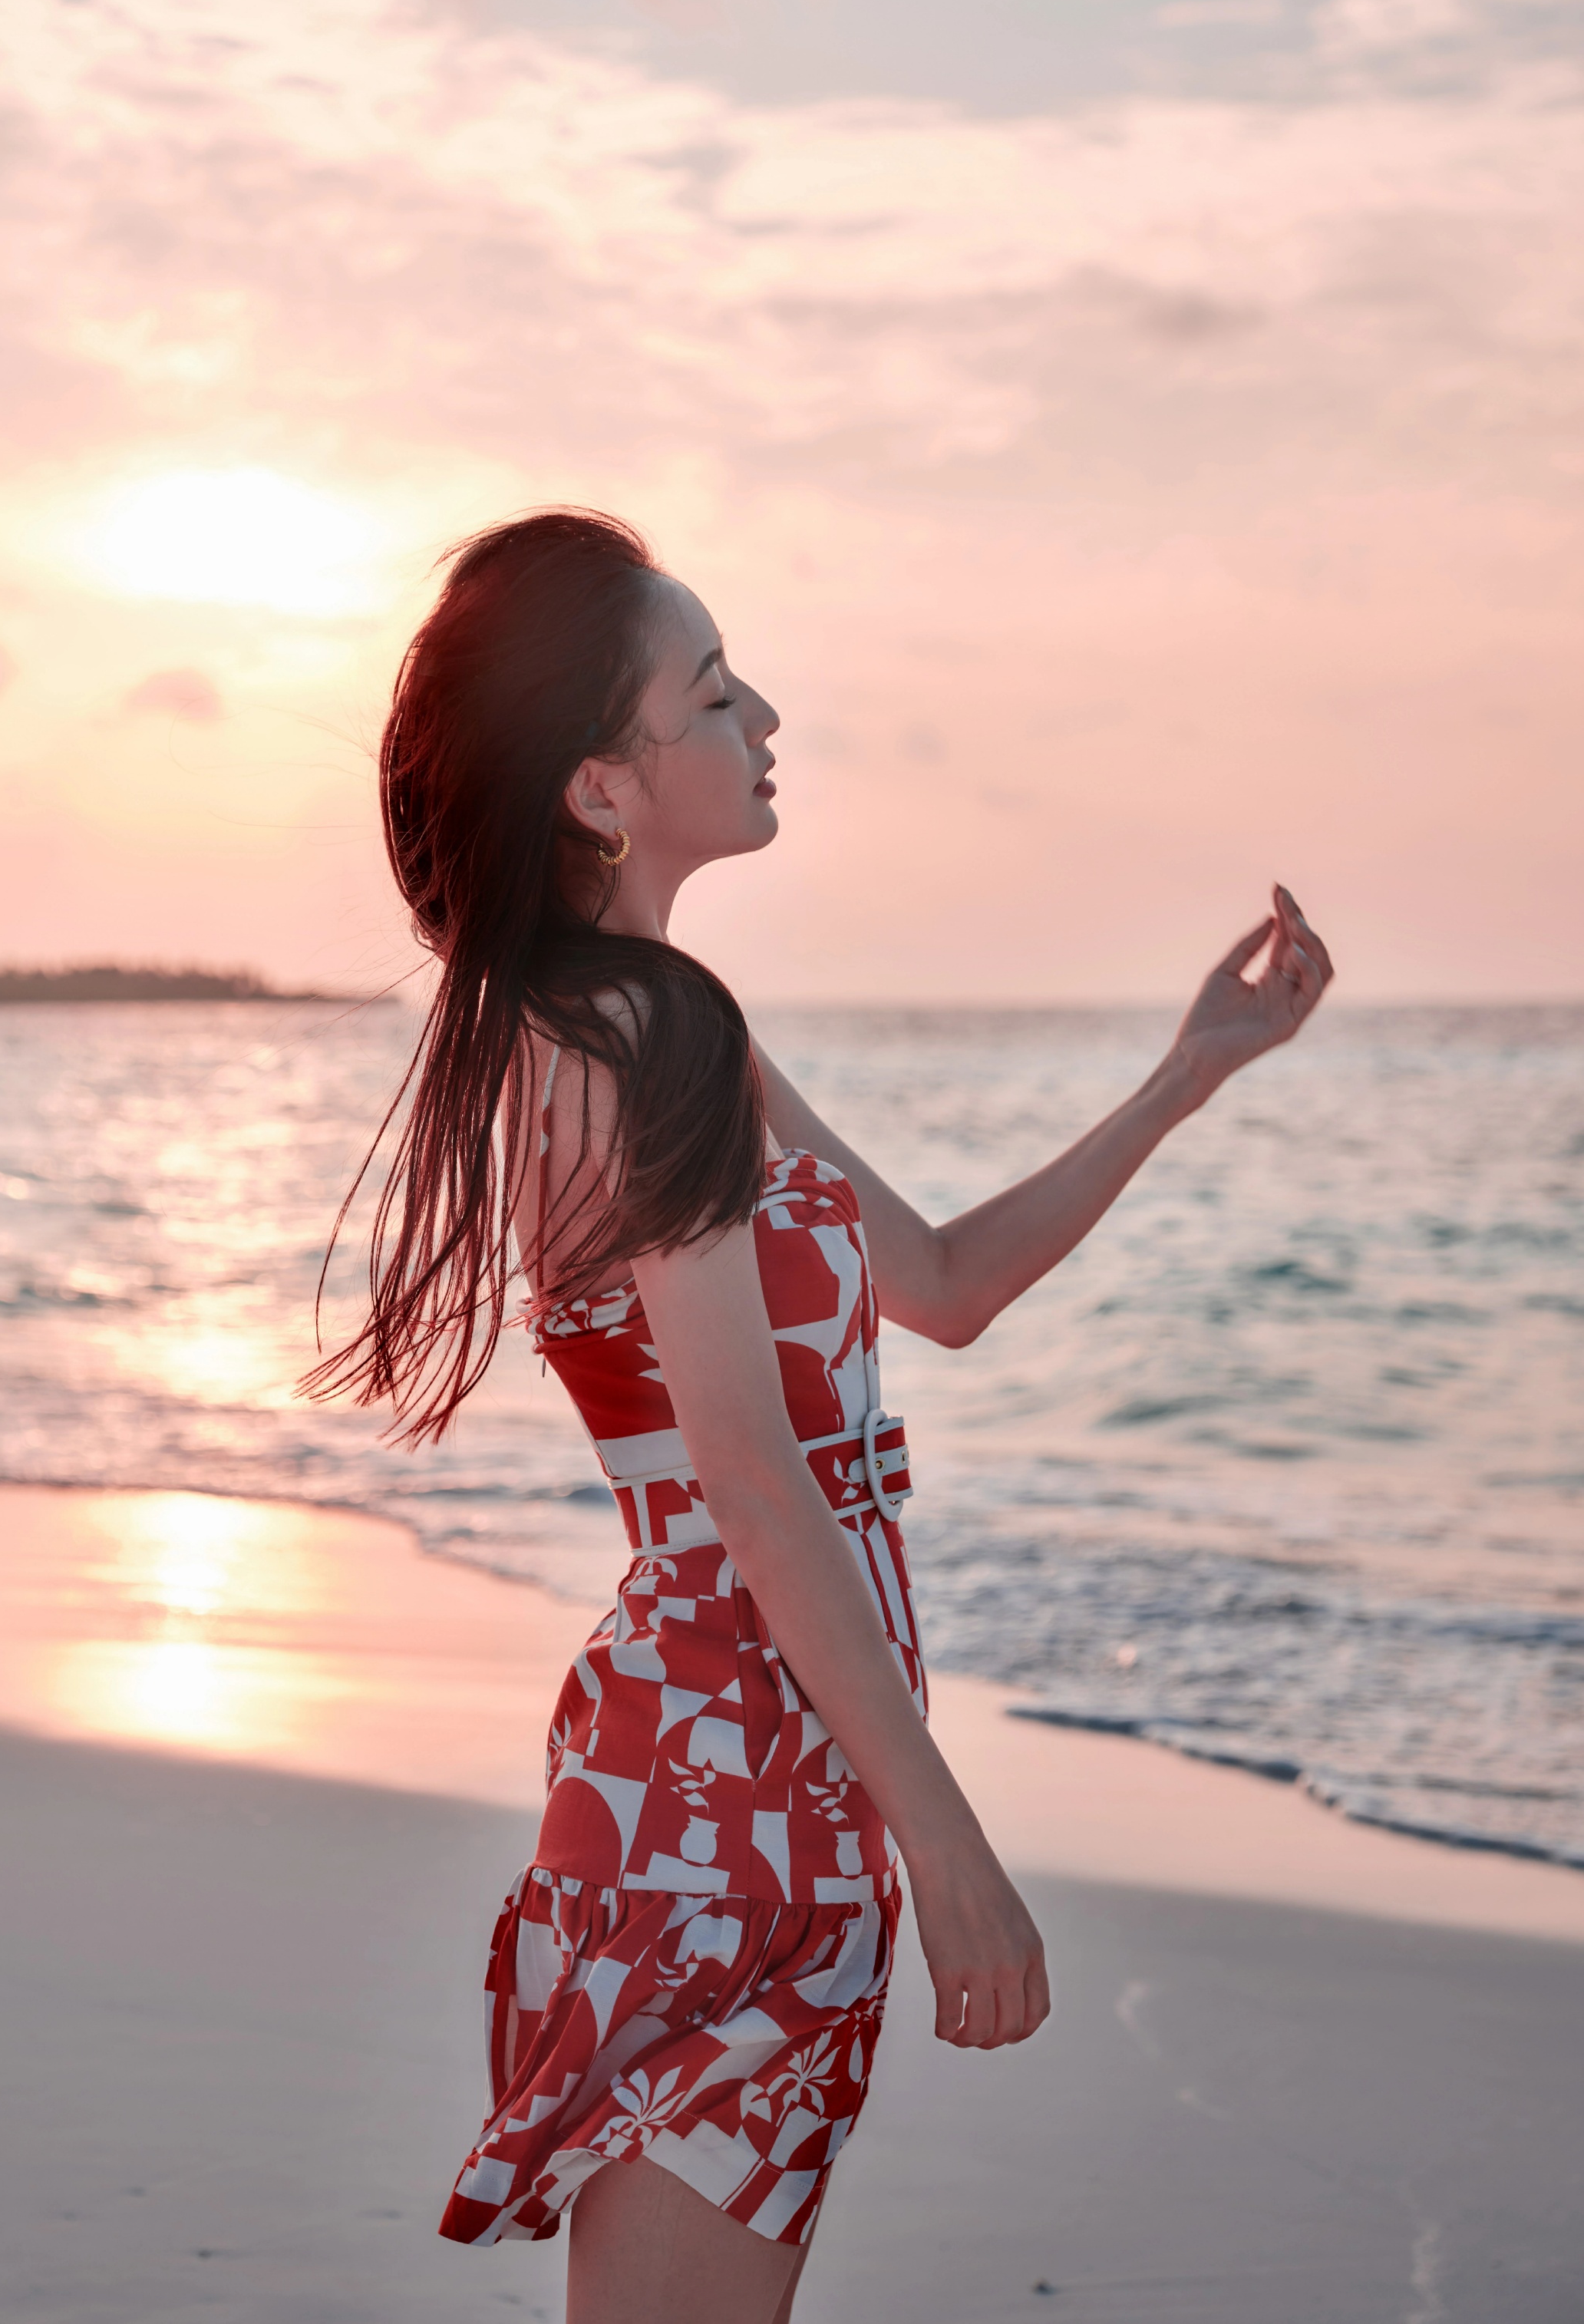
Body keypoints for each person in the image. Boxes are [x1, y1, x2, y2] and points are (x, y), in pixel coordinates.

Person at [309, 510, 1333, 2324]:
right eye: (712, 692)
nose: (765, 715)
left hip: (748, 1777)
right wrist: (952, 1845)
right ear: (603, 789)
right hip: (732, 1790)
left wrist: (1191, 1072)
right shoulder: (648, 1033)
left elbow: (941, 1282)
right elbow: (755, 1482)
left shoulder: (646, 1024)